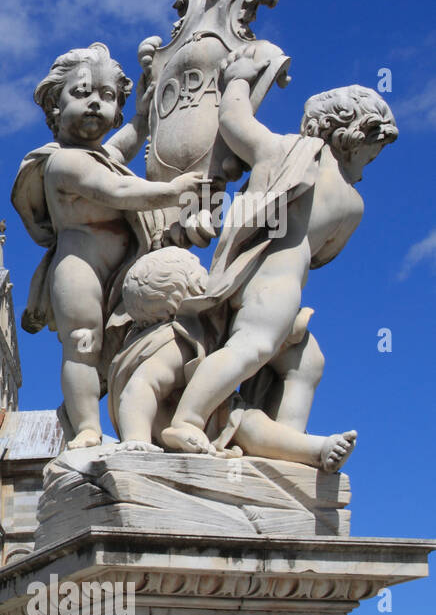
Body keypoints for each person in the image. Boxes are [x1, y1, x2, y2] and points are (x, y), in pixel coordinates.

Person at [161, 47, 397, 455]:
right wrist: (239, 74)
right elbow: (233, 120)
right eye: (370, 155)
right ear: (351, 136)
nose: (368, 166)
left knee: (307, 361)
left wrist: (240, 79)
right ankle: (187, 420)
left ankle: (288, 446)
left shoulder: (302, 165)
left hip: (283, 288)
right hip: (273, 279)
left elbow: (237, 120)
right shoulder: (308, 164)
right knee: (252, 347)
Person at [13, 43, 204, 449]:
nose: (95, 104)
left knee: (115, 349)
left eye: (107, 96)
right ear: (53, 106)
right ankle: (86, 427)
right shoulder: (62, 162)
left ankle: (141, 416)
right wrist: (172, 191)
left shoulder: (99, 156)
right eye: (81, 94)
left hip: (123, 272)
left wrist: (141, 118)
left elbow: (120, 153)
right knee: (83, 344)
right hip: (80, 267)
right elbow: (117, 188)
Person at [109, 247, 356, 471]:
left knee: (250, 422)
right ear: (191, 287)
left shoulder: (198, 329)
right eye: (199, 272)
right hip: (175, 428)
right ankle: (315, 449)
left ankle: (316, 450)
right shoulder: (174, 342)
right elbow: (140, 387)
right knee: (250, 424)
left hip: (212, 416)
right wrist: (136, 440)